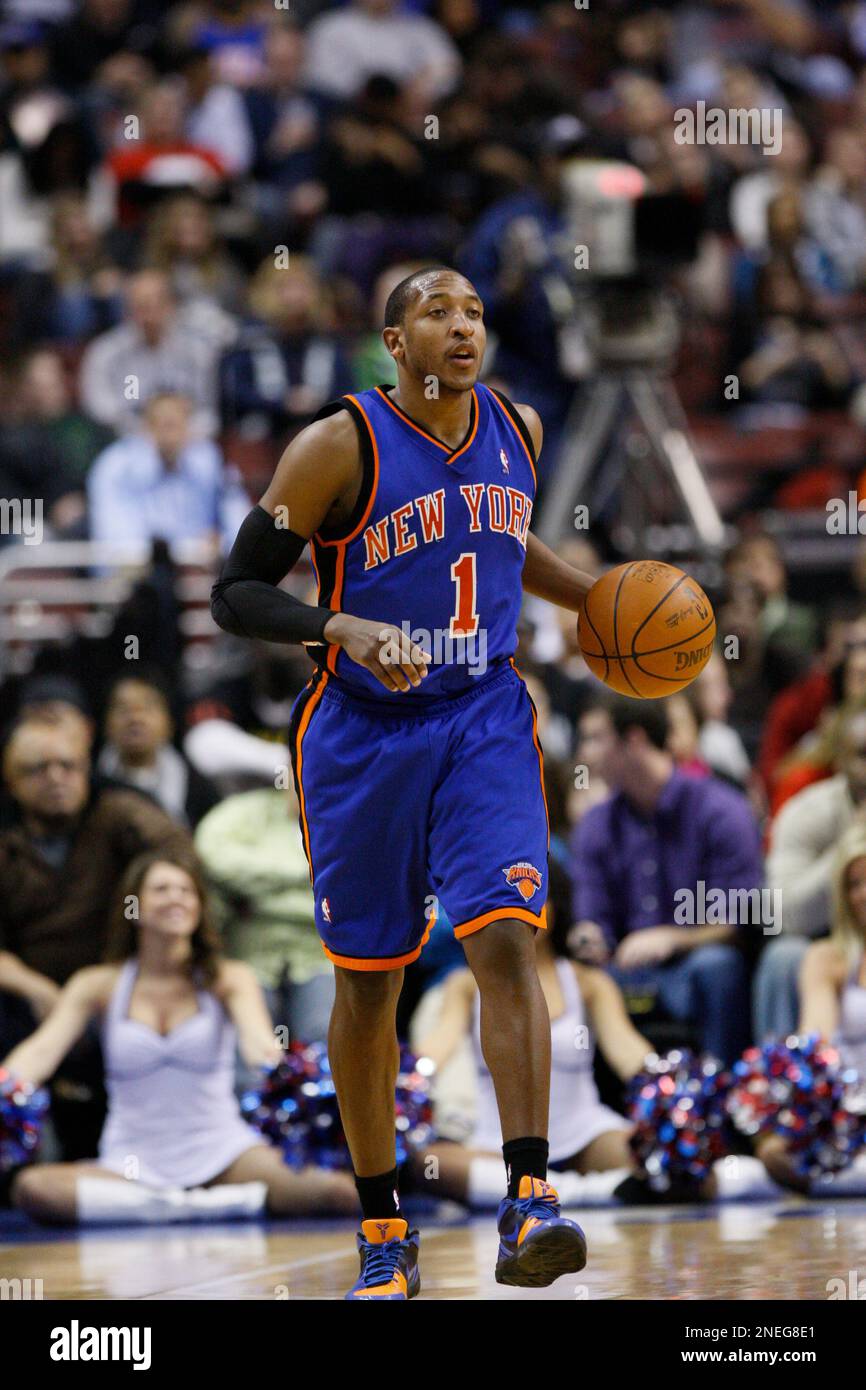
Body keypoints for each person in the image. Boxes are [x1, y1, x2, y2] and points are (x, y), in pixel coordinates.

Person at [211, 265, 598, 1298]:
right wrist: (333, 622)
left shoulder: (517, 425)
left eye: (474, 310)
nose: (463, 325)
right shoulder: (336, 444)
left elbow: (503, 539)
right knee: (368, 981)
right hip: (361, 734)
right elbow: (234, 592)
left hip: (481, 713)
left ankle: (530, 1197)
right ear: (394, 341)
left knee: (509, 936)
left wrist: (598, 598)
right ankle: (384, 1227)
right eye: (438, 311)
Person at [5, 850, 356, 1224]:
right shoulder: (97, 984)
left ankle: (166, 1205)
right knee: (34, 1189)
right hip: (130, 1162)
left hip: (224, 1154)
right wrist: (5, 1088)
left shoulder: (228, 977)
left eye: (186, 891)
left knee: (338, 1192)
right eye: (161, 889)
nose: (176, 898)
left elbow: (262, 1048)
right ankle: (215, 1204)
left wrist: (302, 1083)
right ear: (134, 905)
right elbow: (41, 1052)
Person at [0, 718, 190, 1157]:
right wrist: (38, 990)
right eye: (38, 768)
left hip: (119, 981)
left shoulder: (119, 812)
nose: (56, 778)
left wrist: (141, 954)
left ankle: (169, 1145)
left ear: (86, 770)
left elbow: (178, 858)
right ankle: (21, 1151)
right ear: (11, 782)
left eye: (68, 766)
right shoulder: (7, 841)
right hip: (27, 993)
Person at [411, 862, 645, 1208]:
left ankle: (538, 1191)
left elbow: (627, 1050)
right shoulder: (464, 984)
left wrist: (671, 1086)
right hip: (496, 1142)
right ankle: (582, 1192)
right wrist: (403, 1080)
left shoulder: (588, 982)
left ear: (553, 908)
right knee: (430, 1164)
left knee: (651, 1154)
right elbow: (437, 1048)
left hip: (585, 1135)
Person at [572, 694, 760, 1065]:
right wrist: (586, 938)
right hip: (623, 969)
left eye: (597, 739)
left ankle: (720, 1098)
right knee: (575, 980)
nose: (586, 755)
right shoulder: (595, 825)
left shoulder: (720, 809)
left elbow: (742, 918)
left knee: (717, 966)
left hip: (694, 963)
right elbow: (591, 918)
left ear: (635, 740)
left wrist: (673, 938)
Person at [757, 824, 866, 1197]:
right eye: (854, 884)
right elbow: (815, 1041)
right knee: (774, 1153)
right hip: (852, 1109)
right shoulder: (828, 958)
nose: (863, 893)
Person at [755, 706, 866, 1041]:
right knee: (783, 958)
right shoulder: (807, 812)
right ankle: (786, 1080)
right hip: (831, 944)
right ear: (841, 761)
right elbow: (786, 915)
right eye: (864, 755)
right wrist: (849, 844)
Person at [87, 391, 249, 552]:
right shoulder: (116, 466)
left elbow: (240, 525)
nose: (170, 436)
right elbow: (116, 541)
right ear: (146, 427)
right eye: (164, 425)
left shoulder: (210, 460)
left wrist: (223, 543)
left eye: (177, 425)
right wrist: (188, 550)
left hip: (202, 569)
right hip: (138, 570)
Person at [98, 672, 221, 829]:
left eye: (148, 708)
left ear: (170, 724)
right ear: (106, 725)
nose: (136, 718)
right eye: (123, 709)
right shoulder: (90, 786)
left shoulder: (198, 788)